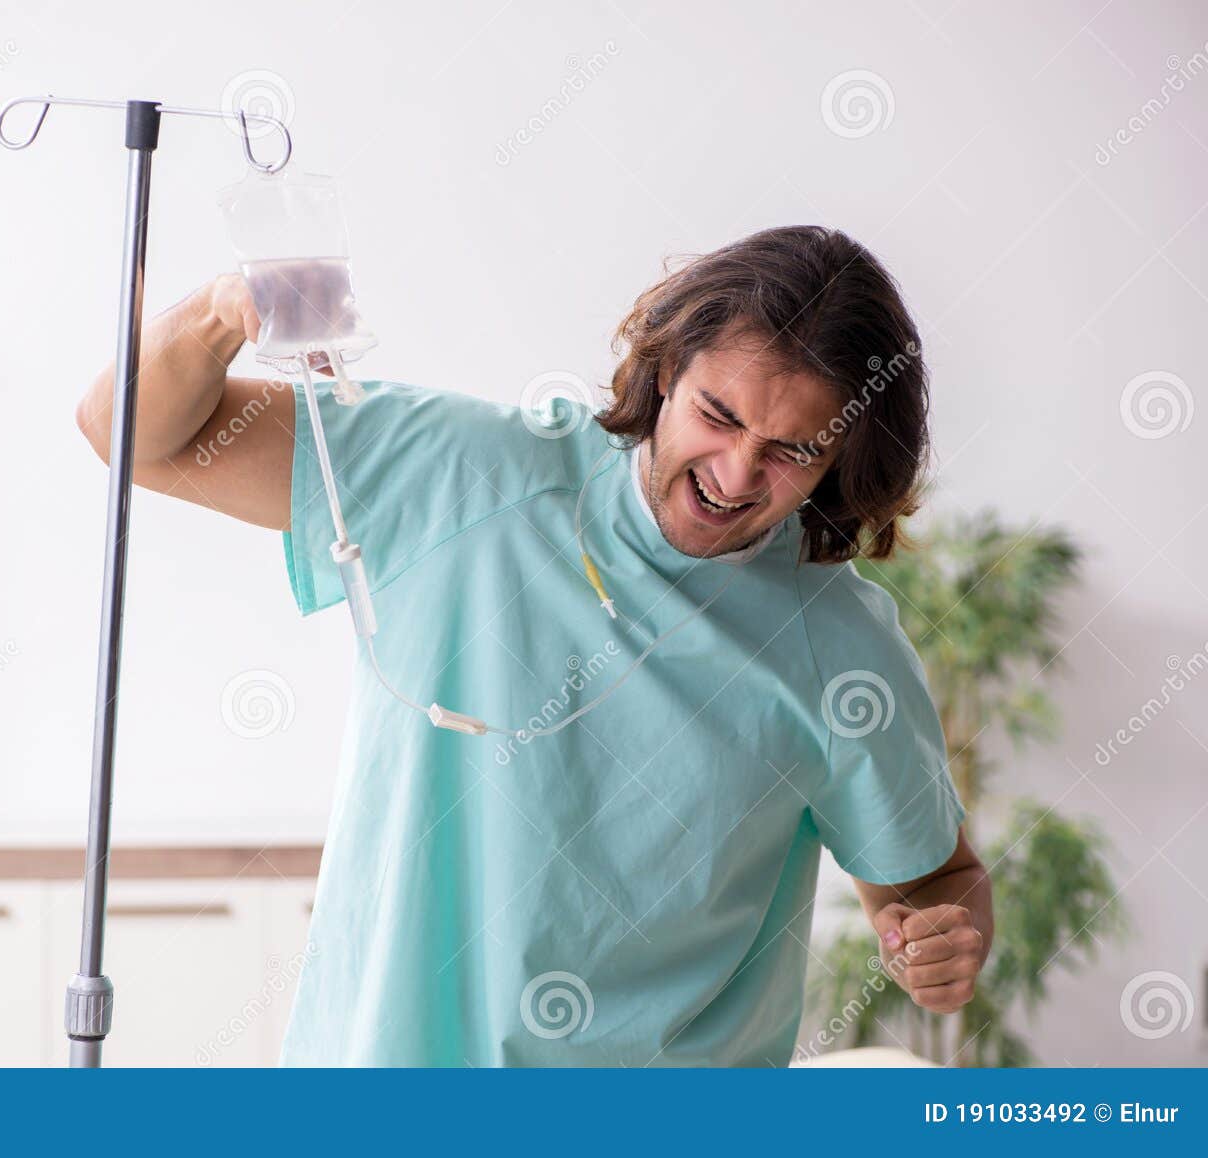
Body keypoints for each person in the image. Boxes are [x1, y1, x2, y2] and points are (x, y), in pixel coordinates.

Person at [76, 225, 993, 1066]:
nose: (736, 473)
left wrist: (942, 939)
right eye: (719, 415)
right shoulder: (458, 473)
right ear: (667, 370)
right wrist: (220, 315)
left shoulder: (840, 646)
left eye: (792, 451)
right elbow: (125, 432)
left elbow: (933, 880)